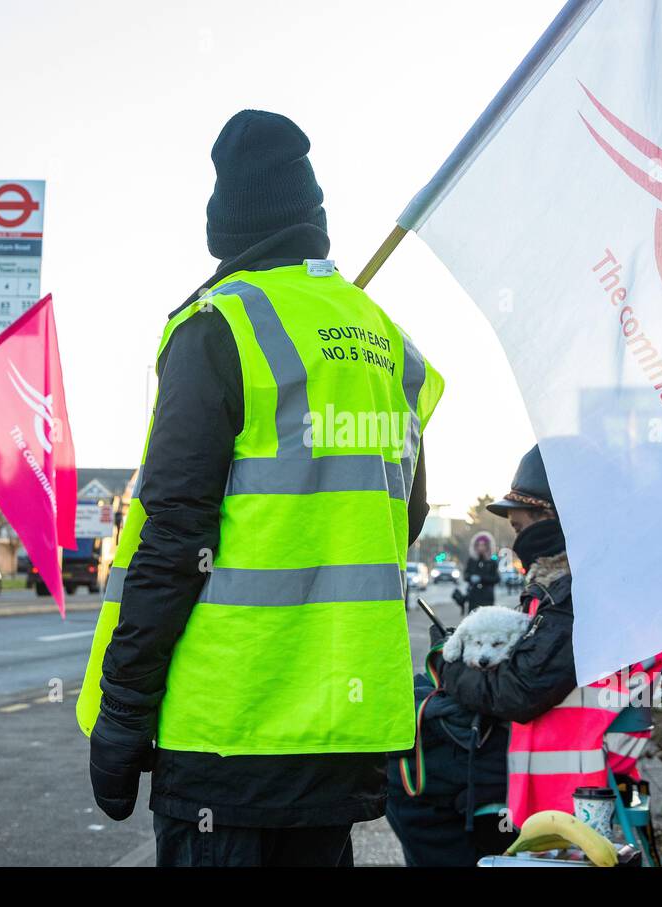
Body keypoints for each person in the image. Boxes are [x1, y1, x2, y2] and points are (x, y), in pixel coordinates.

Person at [81, 110, 444, 867]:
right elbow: (395, 524)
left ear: (224, 229)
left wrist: (122, 713)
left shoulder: (220, 327)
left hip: (230, 725)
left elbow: (173, 538)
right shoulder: (387, 343)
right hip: (344, 733)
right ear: (315, 219)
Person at [387, 444, 659, 864]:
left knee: (410, 776)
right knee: (418, 709)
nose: (517, 540)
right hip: (550, 747)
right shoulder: (580, 579)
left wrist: (447, 663)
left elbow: (518, 692)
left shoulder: (578, 591)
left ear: (560, 519)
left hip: (563, 769)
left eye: (521, 526)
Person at [463, 531, 500, 612]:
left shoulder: (491, 562)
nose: (481, 548)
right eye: (479, 545)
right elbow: (465, 575)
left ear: (488, 546)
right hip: (473, 596)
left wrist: (481, 578)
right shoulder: (472, 560)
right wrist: (471, 578)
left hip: (487, 597)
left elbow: (496, 578)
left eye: (483, 545)